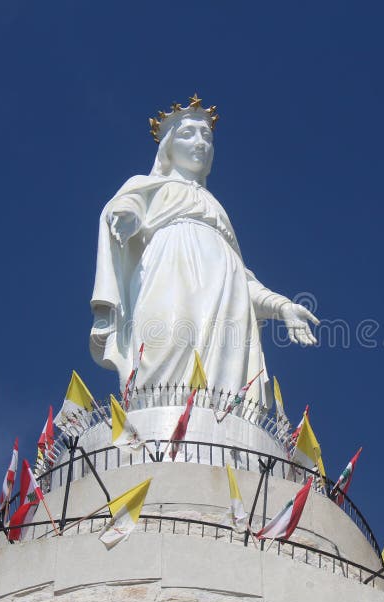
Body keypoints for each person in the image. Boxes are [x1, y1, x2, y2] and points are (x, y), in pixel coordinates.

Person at [90, 95, 318, 405]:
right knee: (163, 343)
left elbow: (243, 278)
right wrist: (126, 217)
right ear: (168, 146)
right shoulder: (147, 187)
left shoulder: (216, 209)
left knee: (223, 382)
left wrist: (281, 307)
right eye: (188, 134)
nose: (200, 143)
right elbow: (123, 207)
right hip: (167, 272)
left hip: (227, 295)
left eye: (206, 136)